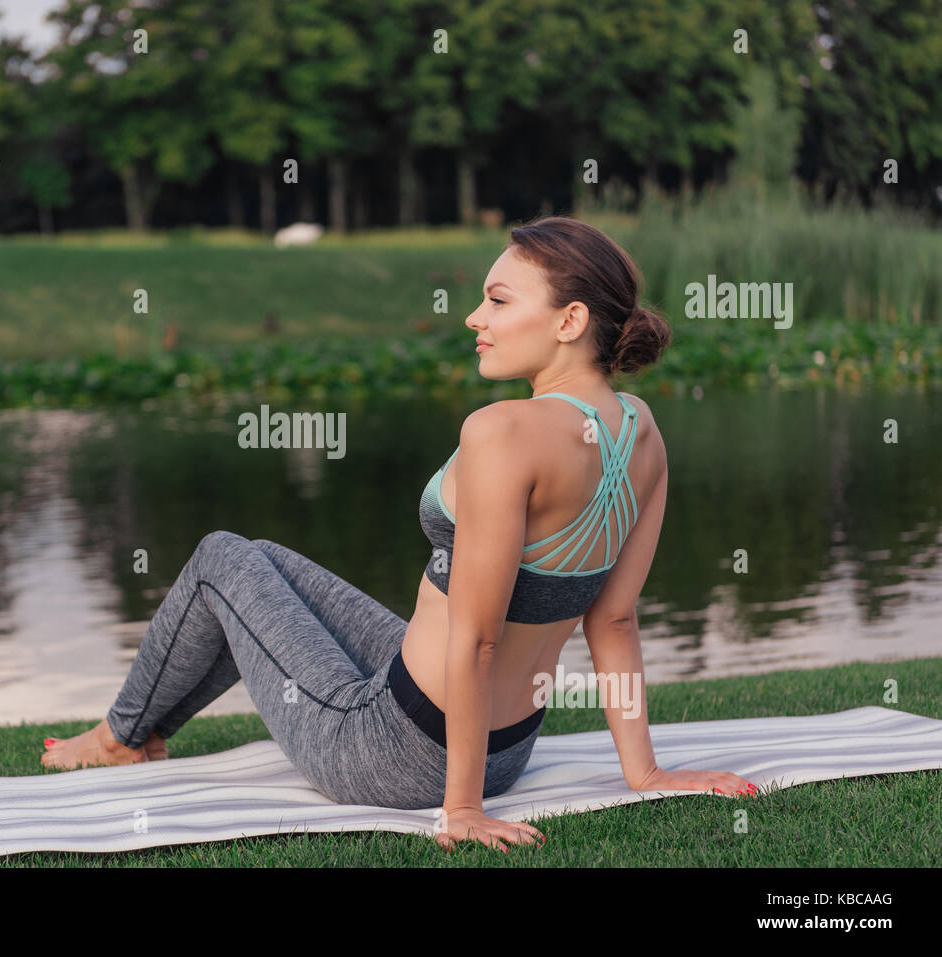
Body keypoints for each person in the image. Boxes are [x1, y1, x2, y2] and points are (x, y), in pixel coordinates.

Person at [42, 215, 759, 852]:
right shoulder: (641, 432)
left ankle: (118, 738)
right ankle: (145, 733)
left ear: (570, 321)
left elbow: (478, 639)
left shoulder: (502, 431)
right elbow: (615, 618)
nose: (475, 318)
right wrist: (646, 770)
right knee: (263, 562)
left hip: (393, 751)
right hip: (507, 745)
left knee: (219, 558)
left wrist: (462, 807)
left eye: (499, 301)